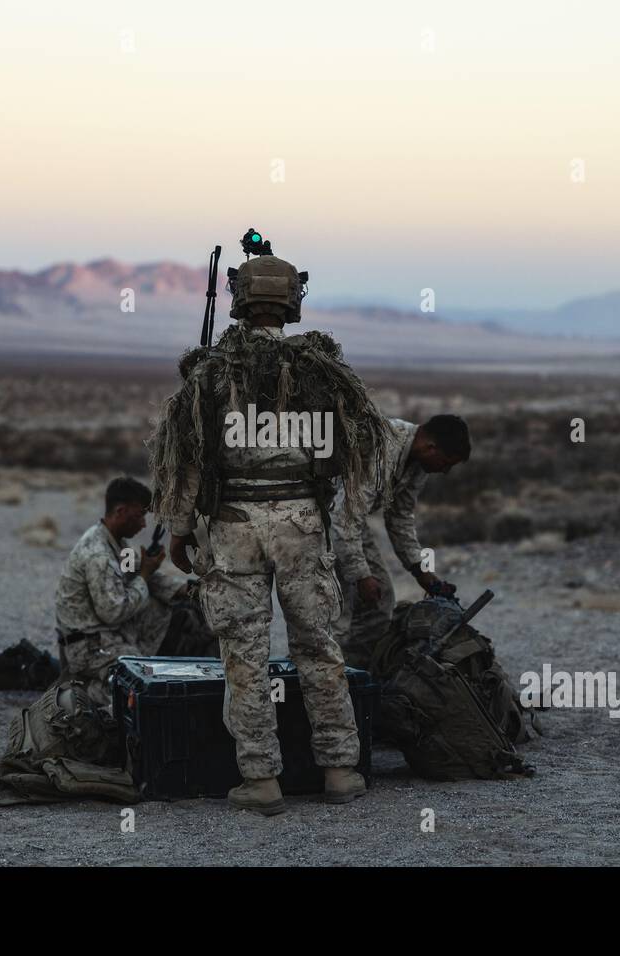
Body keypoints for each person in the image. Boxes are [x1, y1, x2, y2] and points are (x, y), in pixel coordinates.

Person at [149, 242, 391, 815]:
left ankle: (260, 779)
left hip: (233, 523)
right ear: (292, 302)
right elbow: (357, 448)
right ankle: (338, 769)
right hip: (302, 520)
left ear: (238, 300)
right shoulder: (321, 370)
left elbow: (186, 458)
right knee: (318, 644)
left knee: (244, 653)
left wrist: (180, 530)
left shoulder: (212, 374)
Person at [332, 414, 471, 669]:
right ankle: (315, 682)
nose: (444, 470)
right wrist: (361, 576)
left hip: (349, 522)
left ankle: (358, 679)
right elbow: (344, 517)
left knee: (379, 602)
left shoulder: (418, 462)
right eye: (445, 463)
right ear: (431, 447)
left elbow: (400, 517)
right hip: (320, 518)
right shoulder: (383, 446)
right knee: (337, 611)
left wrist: (422, 573)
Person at [55, 477, 190, 708]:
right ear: (120, 511)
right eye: (139, 516)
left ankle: (121, 670)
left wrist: (184, 589)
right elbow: (113, 611)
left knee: (171, 611)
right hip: (89, 645)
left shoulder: (115, 542)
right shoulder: (98, 555)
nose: (144, 525)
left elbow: (135, 573)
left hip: (106, 633)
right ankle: (84, 690)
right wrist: (146, 574)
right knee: (139, 687)